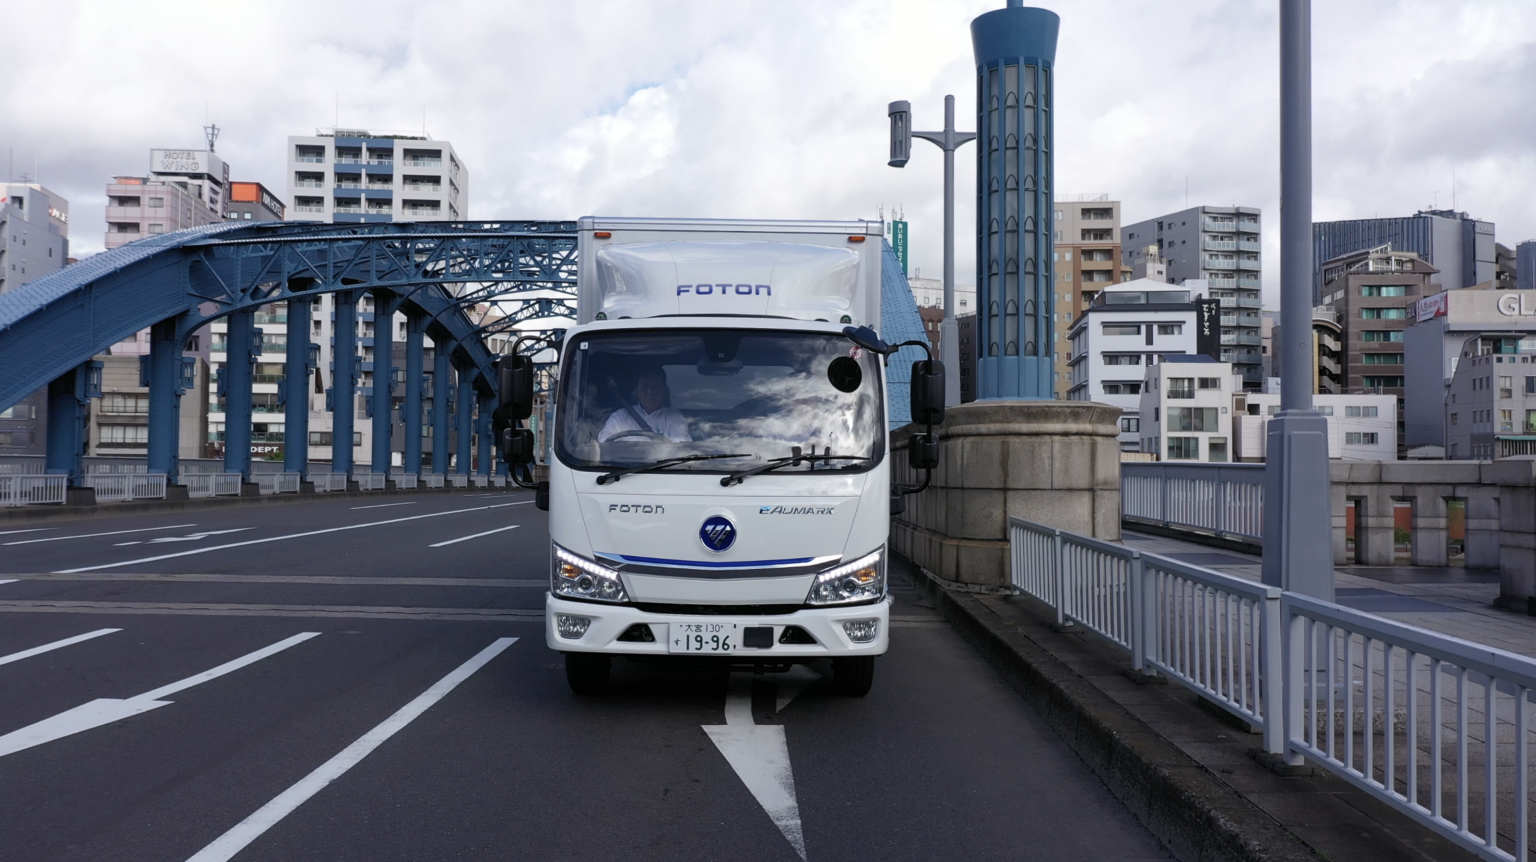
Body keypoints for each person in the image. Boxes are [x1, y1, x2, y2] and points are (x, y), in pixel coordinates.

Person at [598, 367, 692, 443]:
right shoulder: (621, 416)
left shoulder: (674, 417)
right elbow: (604, 441)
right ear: (637, 391)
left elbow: (680, 444)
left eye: (656, 387)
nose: (650, 392)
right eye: (645, 387)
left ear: (664, 391)